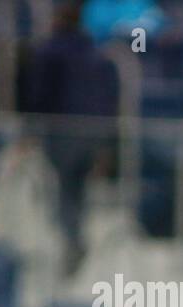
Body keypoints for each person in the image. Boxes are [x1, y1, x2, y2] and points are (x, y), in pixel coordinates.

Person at [23, 1, 119, 276]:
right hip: (92, 133)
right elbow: (108, 101)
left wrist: (31, 130)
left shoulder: (50, 51)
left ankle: (70, 240)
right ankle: (72, 238)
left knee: (63, 189)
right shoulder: (97, 53)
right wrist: (105, 144)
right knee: (75, 190)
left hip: (63, 131)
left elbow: (39, 94)